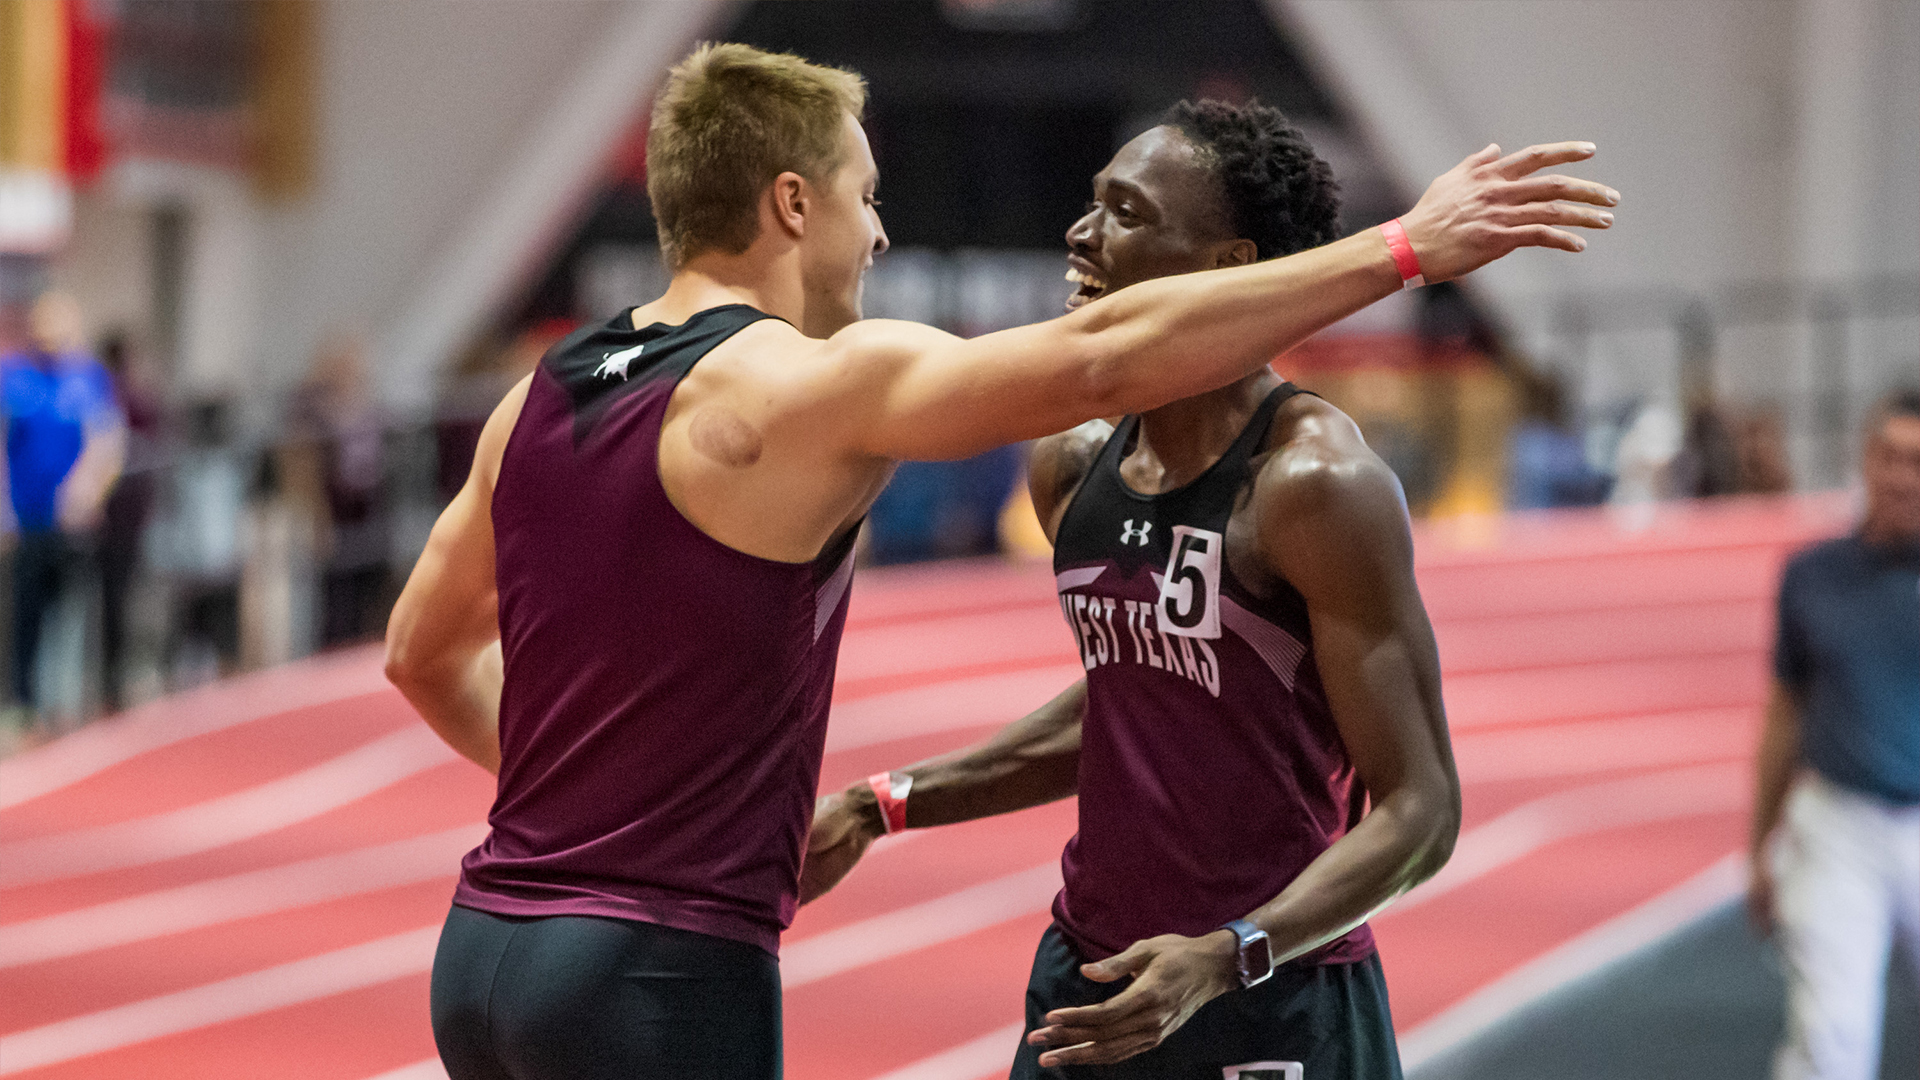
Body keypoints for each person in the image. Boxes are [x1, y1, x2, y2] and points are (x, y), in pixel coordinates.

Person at [383, 43, 1615, 1080]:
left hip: (484, 948)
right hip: (655, 964)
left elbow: (418, 653)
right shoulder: (821, 387)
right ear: (795, 204)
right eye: (867, 196)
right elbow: (1101, 360)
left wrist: (621, 810)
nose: (879, 233)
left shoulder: (533, 398)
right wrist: (1406, 249)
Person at [807, 99, 1457, 1078]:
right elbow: (1132, 704)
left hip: (1269, 1002)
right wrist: (883, 805)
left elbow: (1423, 811)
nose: (1081, 233)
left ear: (1229, 267)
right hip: (1091, 982)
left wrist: (1228, 955)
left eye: (1127, 212)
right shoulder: (1072, 463)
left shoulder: (1313, 486)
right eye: (1093, 202)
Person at [1748, 389, 1920, 1080]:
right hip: (1839, 824)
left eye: (1918, 462)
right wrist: (1759, 843)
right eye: (1889, 457)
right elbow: (1784, 714)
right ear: (1865, 460)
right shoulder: (1813, 577)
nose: (1902, 477)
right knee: (1831, 1040)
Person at [1, 292, 123, 726]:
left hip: (71, 521)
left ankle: (66, 701)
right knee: (25, 612)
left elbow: (107, 442)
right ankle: (24, 700)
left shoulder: (88, 377)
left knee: (71, 610)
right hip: (28, 516)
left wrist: (86, 492)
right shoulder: (16, 378)